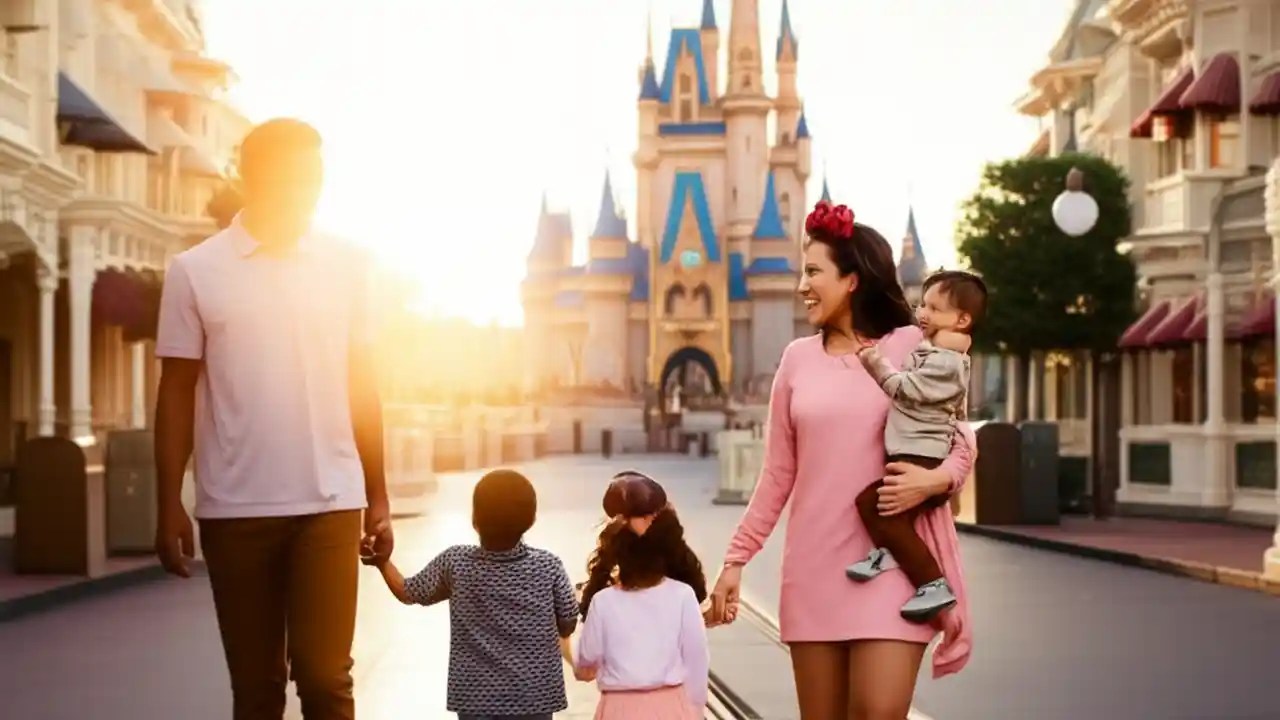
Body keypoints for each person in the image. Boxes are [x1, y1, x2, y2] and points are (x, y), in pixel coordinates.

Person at [152, 118, 391, 719]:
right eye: (295, 175)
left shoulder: (348, 265)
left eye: (316, 175)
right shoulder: (195, 271)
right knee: (257, 691)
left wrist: (378, 493)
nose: (308, 188)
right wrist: (166, 502)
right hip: (236, 511)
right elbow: (175, 391)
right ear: (251, 175)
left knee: (325, 679)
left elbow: (363, 382)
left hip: (330, 504)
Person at [707, 200, 975, 720]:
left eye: (813, 272)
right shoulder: (797, 360)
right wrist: (736, 560)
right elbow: (778, 474)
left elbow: (961, 437)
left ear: (852, 279)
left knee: (878, 712)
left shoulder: (912, 346)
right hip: (814, 572)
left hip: (894, 566)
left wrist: (933, 480)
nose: (802, 286)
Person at [368, 469, 579, 720]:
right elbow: (567, 621)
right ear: (531, 519)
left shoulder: (456, 562)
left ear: (475, 519)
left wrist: (383, 563)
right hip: (534, 697)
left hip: (475, 700)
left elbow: (408, 592)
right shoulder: (548, 566)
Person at [846, 269, 987, 623]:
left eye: (935, 309)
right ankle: (890, 551)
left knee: (877, 508)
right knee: (876, 508)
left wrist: (876, 364)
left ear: (961, 319)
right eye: (921, 305)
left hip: (921, 459)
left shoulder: (946, 361)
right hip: (914, 453)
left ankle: (933, 583)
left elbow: (906, 389)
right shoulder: (935, 352)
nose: (923, 314)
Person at [571, 471, 710, 719]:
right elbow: (696, 665)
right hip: (672, 707)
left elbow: (585, 663)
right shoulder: (683, 595)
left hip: (618, 709)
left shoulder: (602, 602)